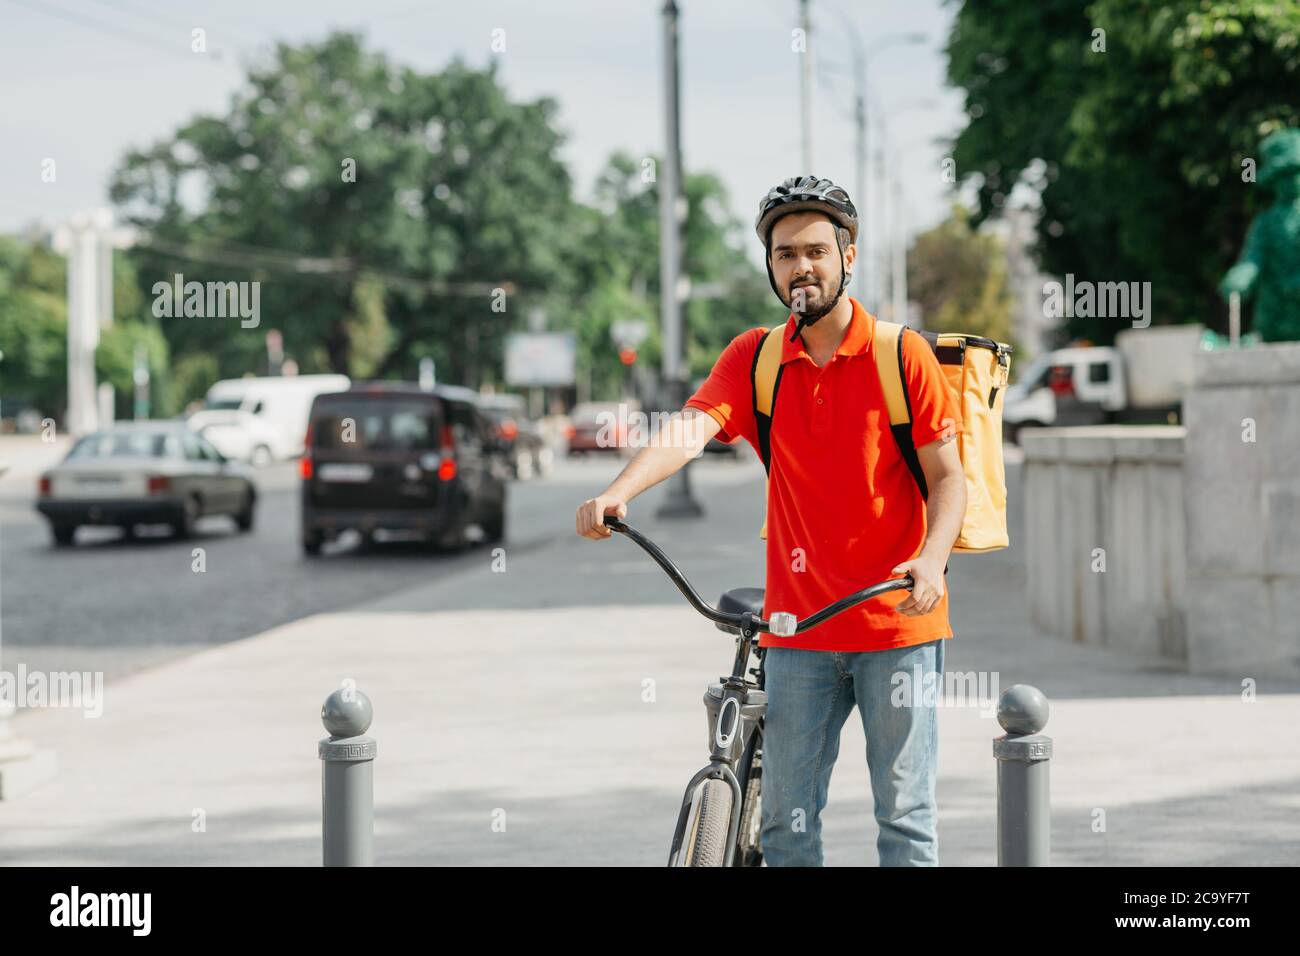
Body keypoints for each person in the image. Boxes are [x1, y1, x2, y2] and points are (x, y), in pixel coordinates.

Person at [575, 175, 966, 866]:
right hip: (799, 635)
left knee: (905, 822)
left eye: (816, 250)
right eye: (785, 254)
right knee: (787, 827)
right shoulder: (756, 357)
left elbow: (948, 480)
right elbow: (691, 428)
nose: (801, 267)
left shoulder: (900, 356)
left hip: (895, 622)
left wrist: (932, 559)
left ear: (849, 256)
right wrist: (618, 491)